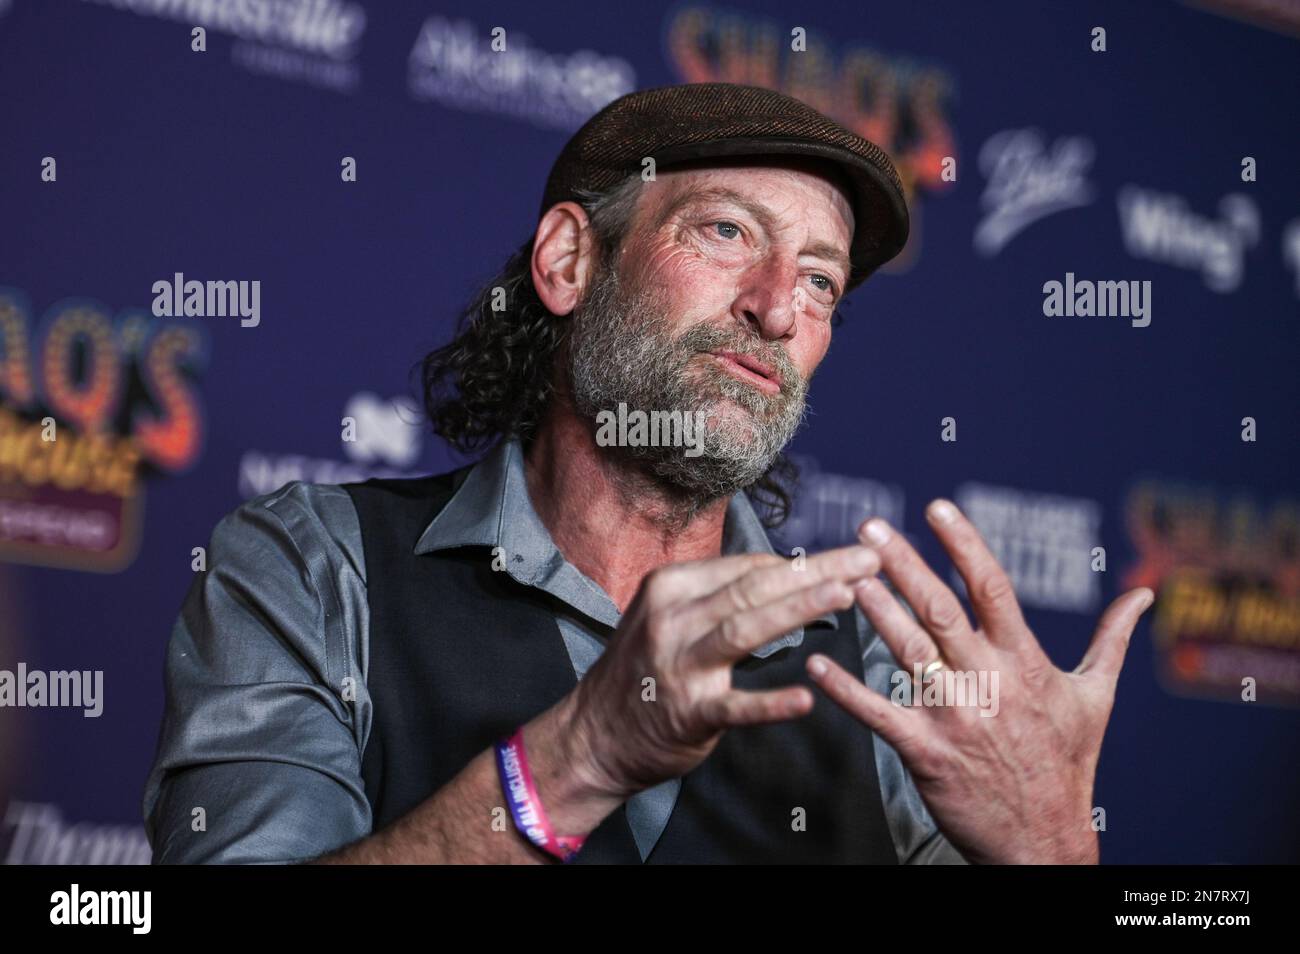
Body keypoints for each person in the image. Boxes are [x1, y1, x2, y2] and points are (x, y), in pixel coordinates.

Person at [142, 82, 1152, 864]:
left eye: (818, 280)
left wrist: (1052, 847)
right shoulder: (313, 571)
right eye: (725, 231)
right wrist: (579, 756)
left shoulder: (879, 686)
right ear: (570, 262)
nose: (775, 308)